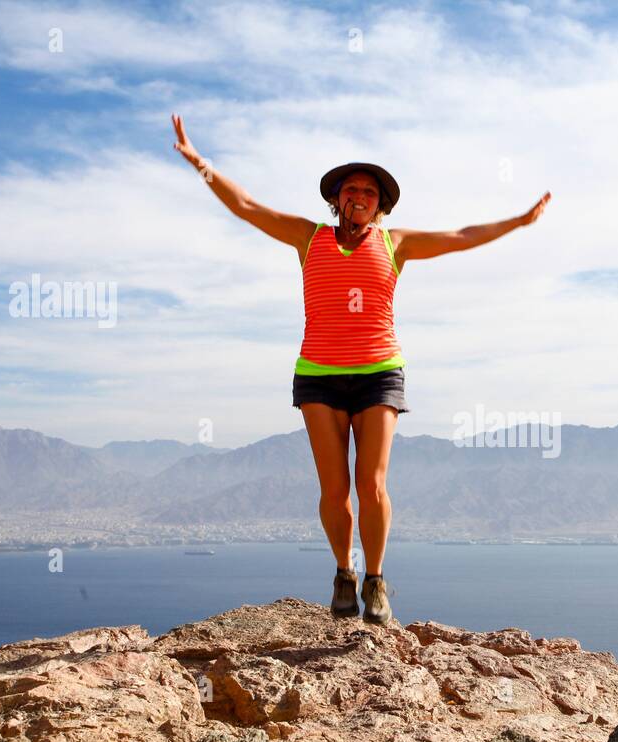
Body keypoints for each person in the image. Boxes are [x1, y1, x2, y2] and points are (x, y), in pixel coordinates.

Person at [170, 113, 551, 624]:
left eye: (370, 192)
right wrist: (200, 164)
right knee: (334, 490)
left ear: (380, 204)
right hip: (319, 375)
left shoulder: (397, 244)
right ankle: (343, 575)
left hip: (378, 373)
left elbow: (461, 233)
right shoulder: (308, 239)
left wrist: (518, 222)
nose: (361, 196)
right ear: (336, 199)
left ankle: (375, 580)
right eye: (352, 189)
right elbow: (246, 206)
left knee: (370, 484)